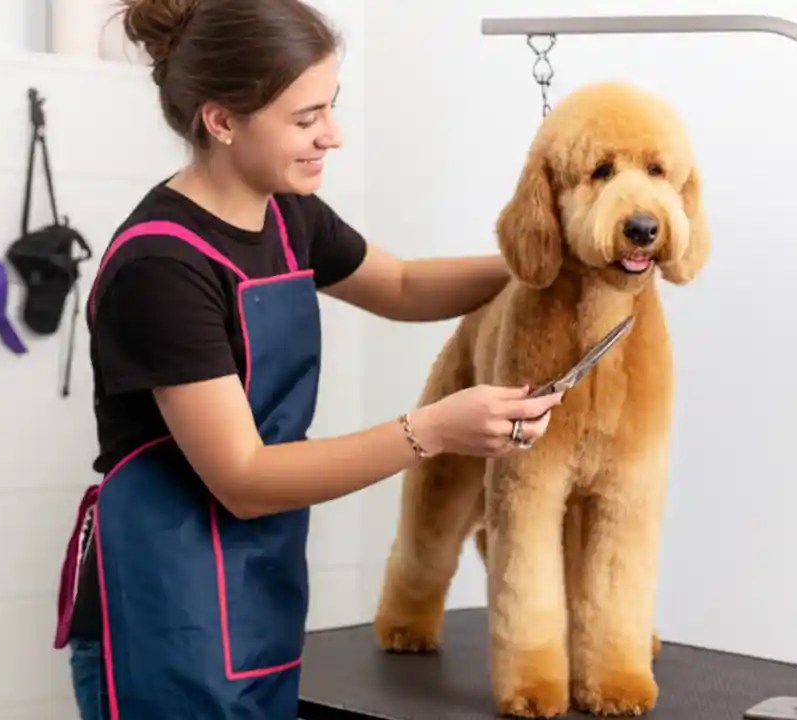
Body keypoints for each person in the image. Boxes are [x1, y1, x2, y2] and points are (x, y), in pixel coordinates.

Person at [51, 1, 567, 718]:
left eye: (331, 106)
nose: (334, 134)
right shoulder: (161, 267)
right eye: (305, 118)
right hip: (167, 605)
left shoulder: (287, 211)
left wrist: (550, 263)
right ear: (222, 121)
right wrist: (435, 431)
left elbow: (402, 284)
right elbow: (246, 477)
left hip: (259, 584)